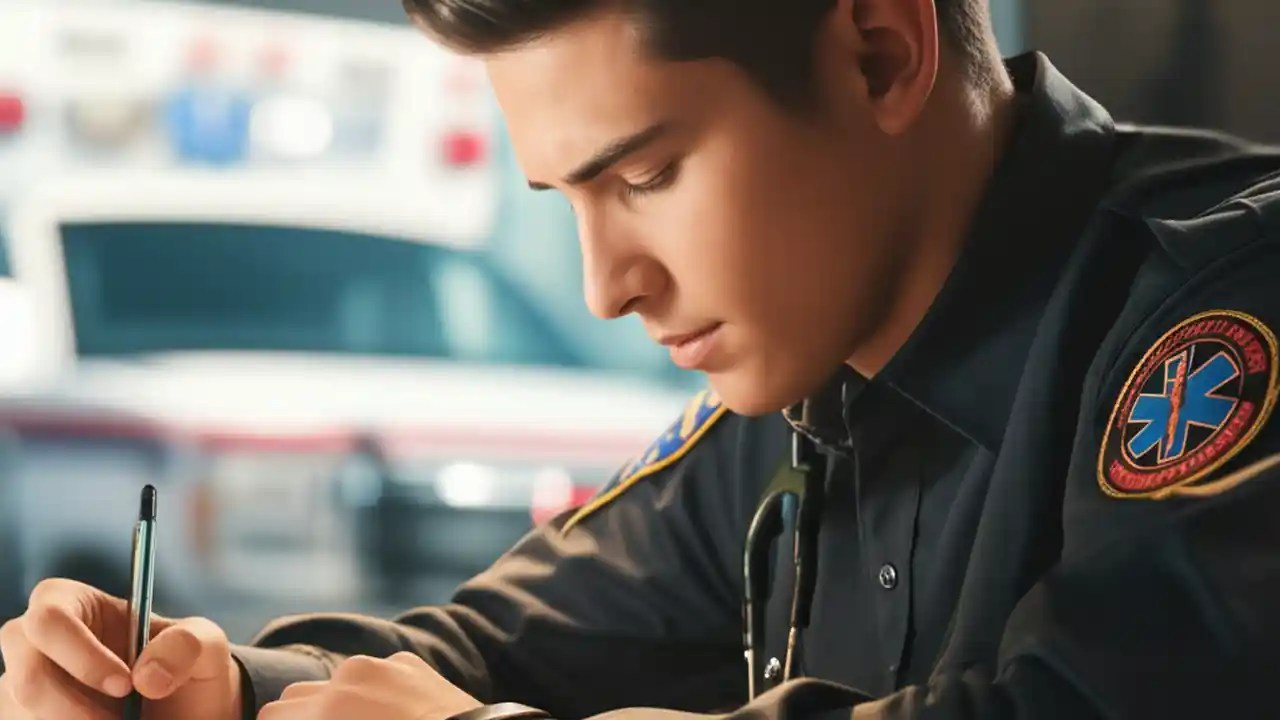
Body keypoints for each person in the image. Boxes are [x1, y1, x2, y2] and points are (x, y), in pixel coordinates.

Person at [5, 0, 1280, 717]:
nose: (603, 285)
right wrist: (216, 689)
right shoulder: (791, 396)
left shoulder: (1217, 308)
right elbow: (494, 648)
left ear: (878, 50)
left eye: (648, 175)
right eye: (566, 196)